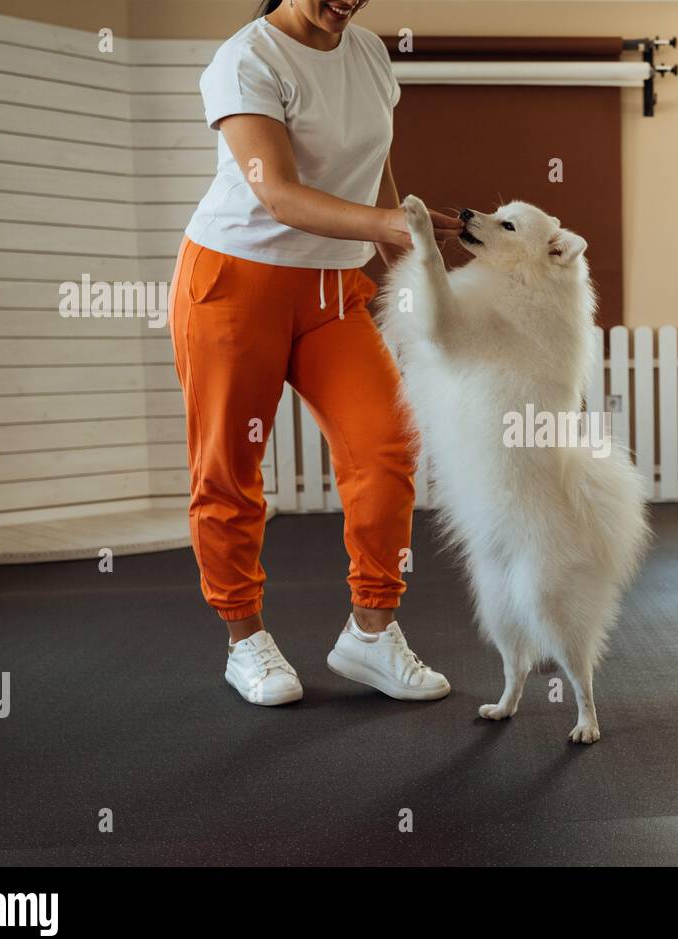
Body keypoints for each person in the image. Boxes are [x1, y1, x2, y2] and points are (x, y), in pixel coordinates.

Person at [169, 0, 463, 705]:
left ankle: (370, 632)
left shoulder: (368, 54)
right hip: (235, 280)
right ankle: (245, 641)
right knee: (229, 468)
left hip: (332, 288)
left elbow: (373, 167)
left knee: (387, 445)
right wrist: (389, 222)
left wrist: (410, 249)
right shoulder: (247, 59)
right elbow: (278, 195)